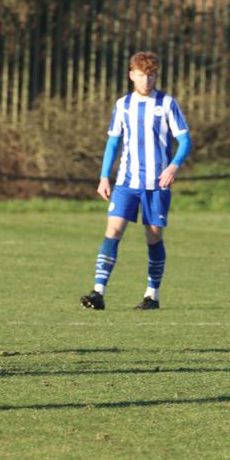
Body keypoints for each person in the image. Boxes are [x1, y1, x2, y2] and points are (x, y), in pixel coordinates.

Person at [79, 51, 191, 311]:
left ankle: (152, 295)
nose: (146, 81)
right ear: (132, 75)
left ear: (156, 76)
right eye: (141, 75)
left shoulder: (167, 104)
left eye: (151, 75)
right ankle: (98, 291)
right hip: (127, 182)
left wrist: (174, 166)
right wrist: (104, 176)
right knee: (113, 231)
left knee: (153, 237)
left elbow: (185, 140)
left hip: (157, 184)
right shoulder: (123, 105)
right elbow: (113, 141)